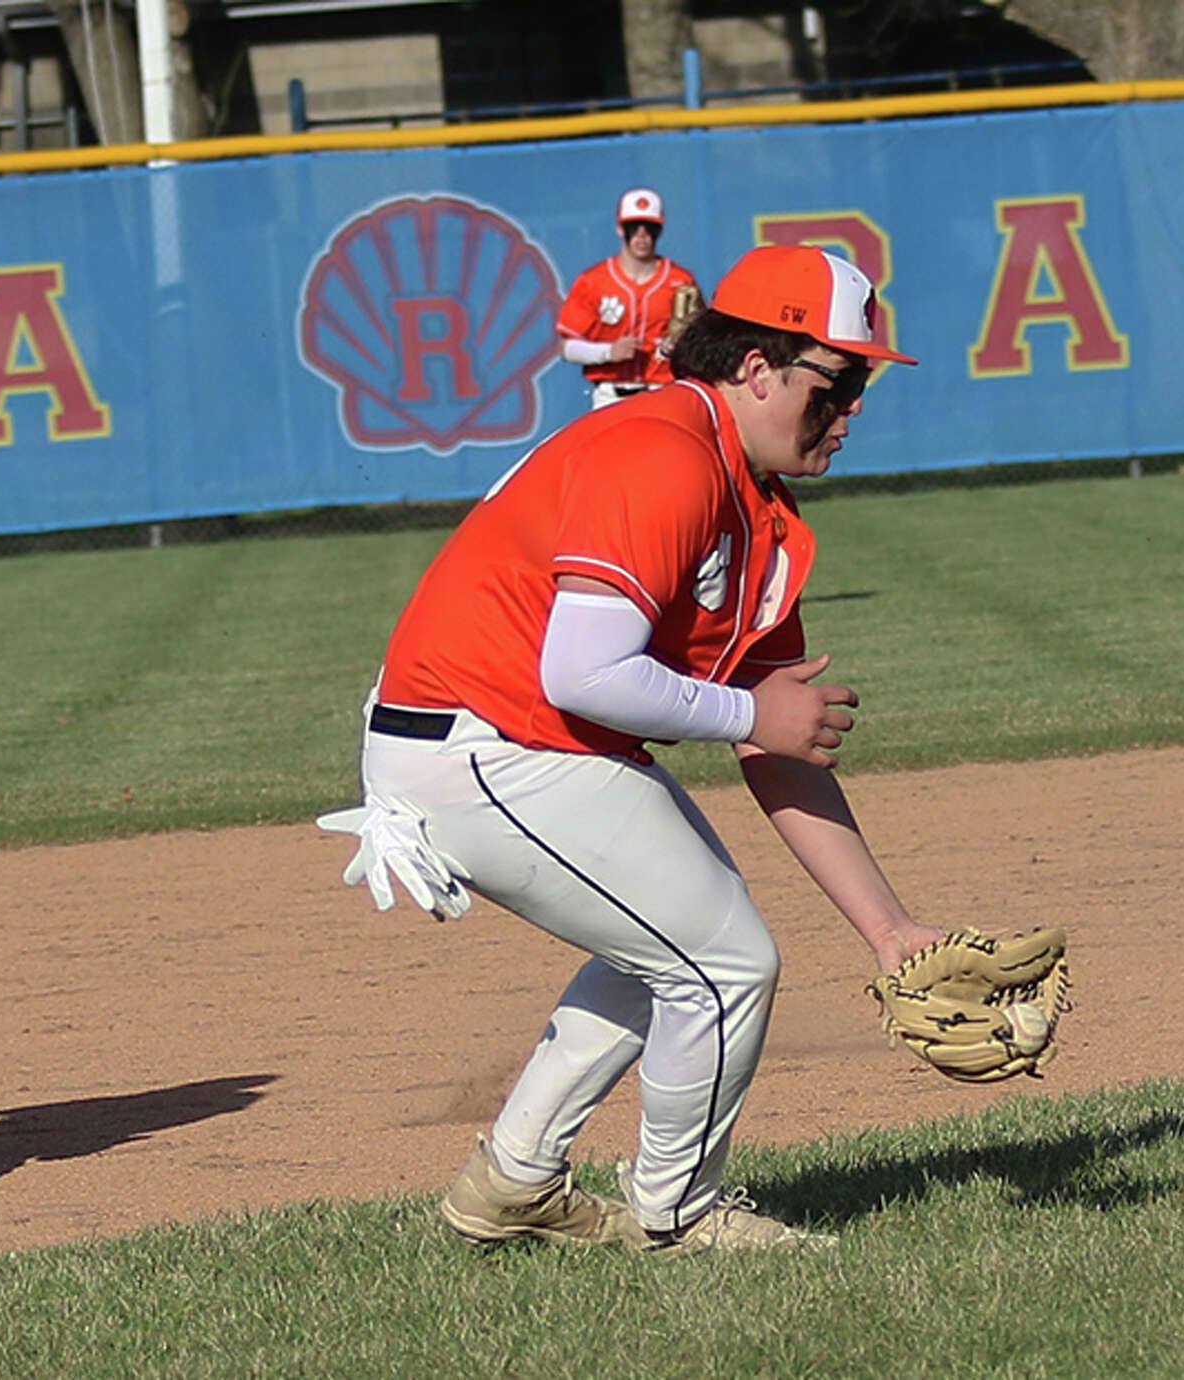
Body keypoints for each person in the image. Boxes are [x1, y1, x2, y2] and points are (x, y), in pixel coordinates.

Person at [321, 244, 942, 1253]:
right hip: (479, 744)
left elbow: (778, 742)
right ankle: (677, 1215)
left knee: (675, 939)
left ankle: (514, 1183)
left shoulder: (755, 508)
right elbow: (584, 672)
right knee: (725, 961)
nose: (853, 409)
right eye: (838, 381)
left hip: (524, 741)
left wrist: (891, 931)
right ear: (757, 368)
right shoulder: (663, 453)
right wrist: (750, 715)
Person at [555, 187, 700, 410]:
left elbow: (698, 339)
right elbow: (566, 348)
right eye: (634, 227)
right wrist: (608, 352)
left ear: (659, 231)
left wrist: (677, 346)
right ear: (620, 229)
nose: (642, 235)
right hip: (611, 395)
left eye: (650, 228)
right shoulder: (593, 281)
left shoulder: (680, 280)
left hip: (662, 391)